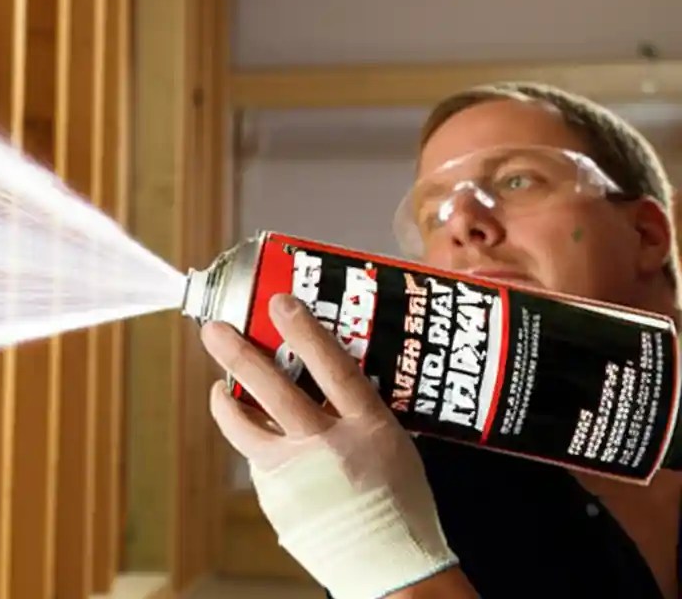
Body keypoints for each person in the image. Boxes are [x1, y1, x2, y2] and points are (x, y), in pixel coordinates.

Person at [203, 81, 682, 599]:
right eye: (435, 215)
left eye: (518, 181)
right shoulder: (416, 492)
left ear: (647, 235)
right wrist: (386, 562)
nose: (464, 224)